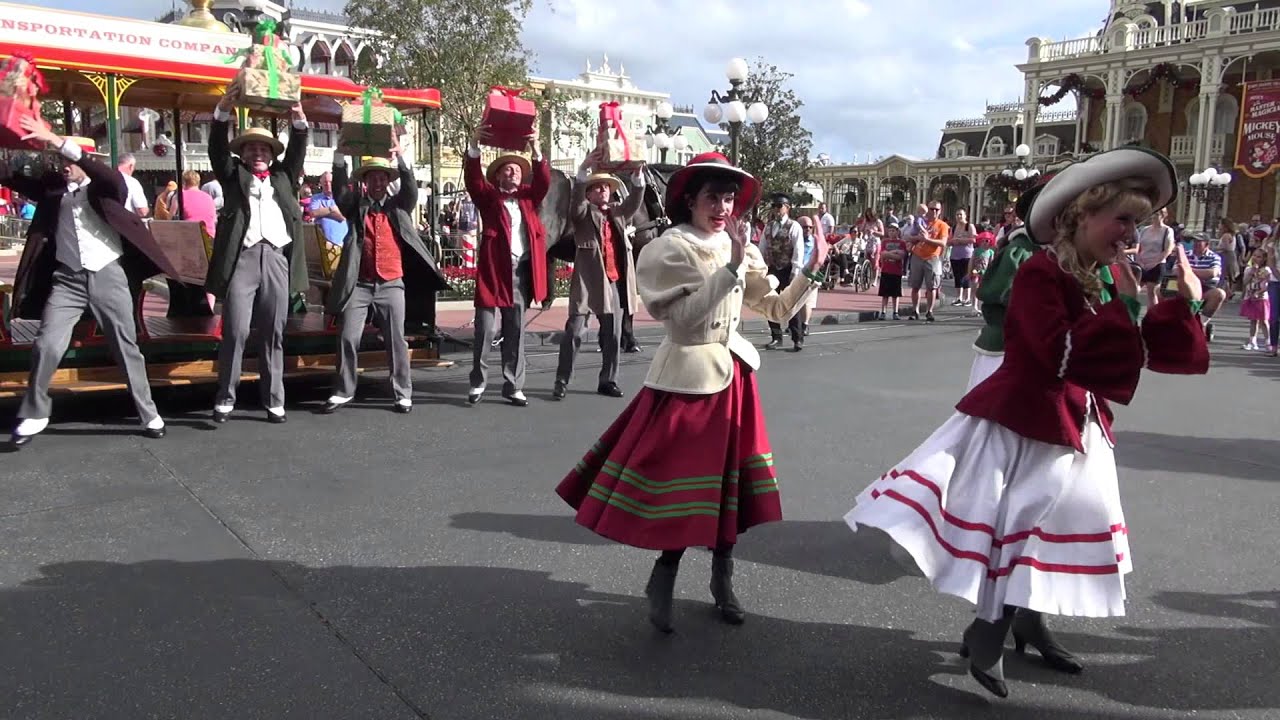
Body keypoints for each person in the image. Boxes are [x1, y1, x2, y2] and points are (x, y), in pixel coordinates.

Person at [846, 148, 1210, 699]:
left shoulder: (1107, 272)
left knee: (1058, 526)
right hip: (1029, 419)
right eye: (1123, 219)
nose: (1131, 233)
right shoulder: (1041, 270)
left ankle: (1027, 621)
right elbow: (1055, 351)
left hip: (1077, 421)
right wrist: (1133, 310)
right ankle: (990, 626)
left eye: (1137, 221)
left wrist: (1188, 306)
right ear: (1082, 216)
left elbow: (1141, 350)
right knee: (1021, 526)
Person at [556, 152, 828, 633]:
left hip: (735, 379)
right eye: (712, 197)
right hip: (687, 380)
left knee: (729, 490)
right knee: (681, 490)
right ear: (690, 200)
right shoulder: (670, 247)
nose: (722, 207)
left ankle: (722, 582)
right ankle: (663, 578)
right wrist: (731, 268)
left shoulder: (737, 244)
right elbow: (683, 320)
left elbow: (777, 310)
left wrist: (814, 269)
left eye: (728, 198)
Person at [1, 118, 170, 446]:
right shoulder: (53, 190)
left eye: (70, 162)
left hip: (108, 274)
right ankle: (35, 411)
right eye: (61, 162)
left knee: (125, 346)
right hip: (68, 280)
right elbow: (10, 176)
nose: (65, 167)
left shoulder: (107, 188)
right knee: (46, 344)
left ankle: (148, 412)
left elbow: (108, 176)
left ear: (83, 161)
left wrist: (61, 142)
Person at [206, 83, 310, 424]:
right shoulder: (232, 175)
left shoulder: (283, 176)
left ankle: (274, 398)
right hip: (244, 259)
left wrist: (298, 121)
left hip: (276, 257)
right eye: (250, 147)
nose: (257, 152)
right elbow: (217, 149)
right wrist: (222, 109)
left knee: (274, 331)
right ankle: (225, 396)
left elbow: (297, 152)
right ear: (244, 152)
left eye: (263, 148)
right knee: (235, 330)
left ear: (271, 152)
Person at [321, 150, 446, 415]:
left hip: (391, 282)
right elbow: (341, 192)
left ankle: (403, 393)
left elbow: (410, 189)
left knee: (396, 340)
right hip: (360, 284)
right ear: (365, 181)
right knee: (347, 336)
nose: (378, 183)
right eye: (373, 178)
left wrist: (401, 156)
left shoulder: (399, 205)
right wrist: (340, 156)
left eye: (382, 178)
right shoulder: (355, 206)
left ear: (388, 180)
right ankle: (344, 391)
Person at [463, 122, 550, 407]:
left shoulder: (528, 197)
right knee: (485, 330)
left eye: (516, 169)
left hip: (519, 272)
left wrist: (536, 147)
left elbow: (543, 181)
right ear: (498, 175)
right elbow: (473, 178)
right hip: (492, 270)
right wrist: (475, 144)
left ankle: (513, 385)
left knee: (515, 331)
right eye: (506, 169)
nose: (512, 172)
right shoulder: (488, 198)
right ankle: (478, 383)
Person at [553, 149, 646, 400]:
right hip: (588, 281)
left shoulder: (618, 212)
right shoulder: (583, 214)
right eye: (597, 187)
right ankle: (562, 380)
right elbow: (576, 206)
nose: (603, 190)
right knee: (574, 331)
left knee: (613, 334)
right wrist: (583, 172)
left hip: (613, 281)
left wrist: (637, 178)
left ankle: (608, 380)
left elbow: (634, 202)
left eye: (606, 187)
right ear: (589, 193)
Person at [759, 193, 805, 350]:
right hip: (772, 269)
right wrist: (761, 266)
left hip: (787, 269)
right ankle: (776, 336)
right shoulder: (769, 226)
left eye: (779, 206)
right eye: (774, 206)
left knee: (791, 304)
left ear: (787, 208)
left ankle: (797, 338)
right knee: (770, 302)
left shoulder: (794, 226)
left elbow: (798, 250)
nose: (776, 209)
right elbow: (762, 247)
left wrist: (795, 271)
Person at [1239, 246, 1272, 350]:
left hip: (1262, 298)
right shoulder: (1249, 269)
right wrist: (1252, 272)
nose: (1255, 258)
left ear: (1264, 259)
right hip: (1250, 297)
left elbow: (1267, 284)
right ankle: (1252, 341)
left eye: (1259, 257)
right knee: (1253, 320)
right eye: (1254, 256)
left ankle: (1268, 341)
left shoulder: (1266, 270)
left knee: (1264, 321)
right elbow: (1244, 282)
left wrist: (1260, 292)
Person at [876, 221, 906, 320]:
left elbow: (901, 256)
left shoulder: (901, 243)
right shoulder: (885, 242)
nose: (891, 233)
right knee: (885, 294)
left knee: (895, 294)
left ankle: (895, 312)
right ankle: (883, 312)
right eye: (890, 231)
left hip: (896, 271)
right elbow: (883, 254)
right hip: (886, 270)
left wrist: (890, 253)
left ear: (897, 231)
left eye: (893, 231)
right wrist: (894, 253)